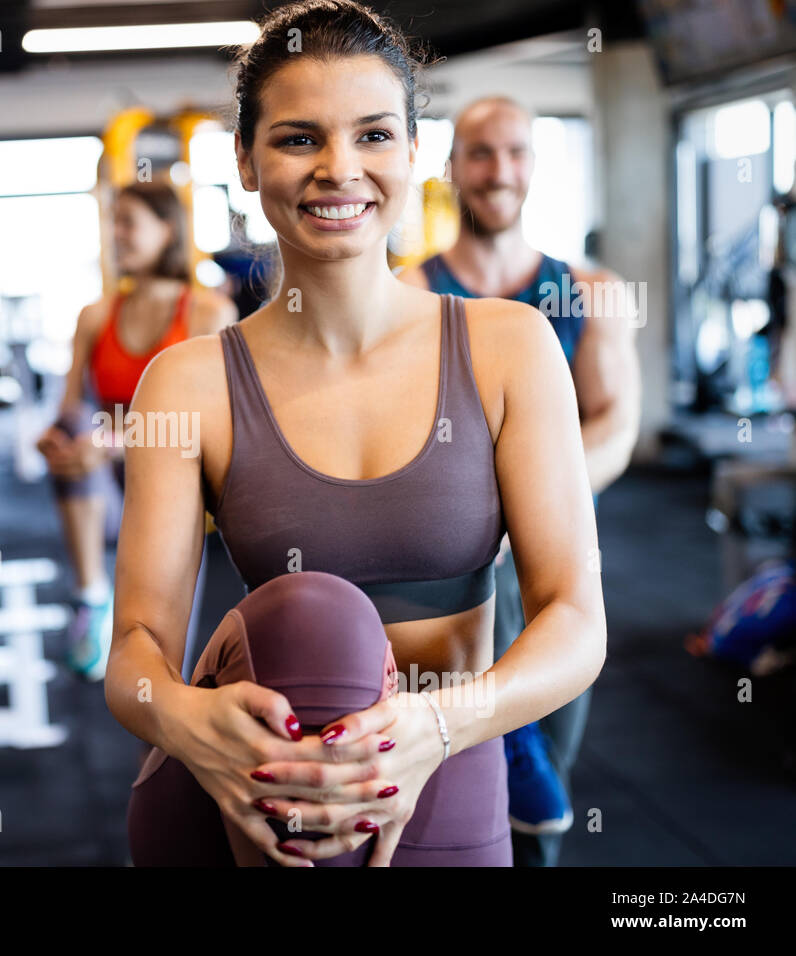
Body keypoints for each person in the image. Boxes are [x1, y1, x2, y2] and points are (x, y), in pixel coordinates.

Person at [104, 0, 606, 867]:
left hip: (444, 757)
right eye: (299, 139)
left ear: (413, 152)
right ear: (247, 162)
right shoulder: (187, 382)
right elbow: (135, 656)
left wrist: (440, 723)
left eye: (373, 136)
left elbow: (575, 621)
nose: (340, 169)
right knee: (313, 613)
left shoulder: (506, 346)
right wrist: (190, 721)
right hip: (261, 779)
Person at [398, 95, 641, 865]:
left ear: (534, 165)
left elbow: (616, 428)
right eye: (479, 153)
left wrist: (535, 514)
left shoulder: (590, 292)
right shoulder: (406, 296)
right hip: (451, 574)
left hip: (555, 567)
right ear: (451, 168)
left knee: (549, 757)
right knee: (464, 768)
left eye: (513, 152)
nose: (498, 170)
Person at [36, 181, 236, 680]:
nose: (116, 234)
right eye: (113, 223)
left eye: (128, 222)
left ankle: (166, 745)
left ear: (166, 230)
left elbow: (203, 422)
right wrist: (57, 441)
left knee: (162, 671)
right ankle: (89, 596)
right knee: (77, 425)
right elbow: (68, 408)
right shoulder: (96, 315)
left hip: (180, 487)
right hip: (107, 488)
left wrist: (108, 443)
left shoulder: (207, 312)